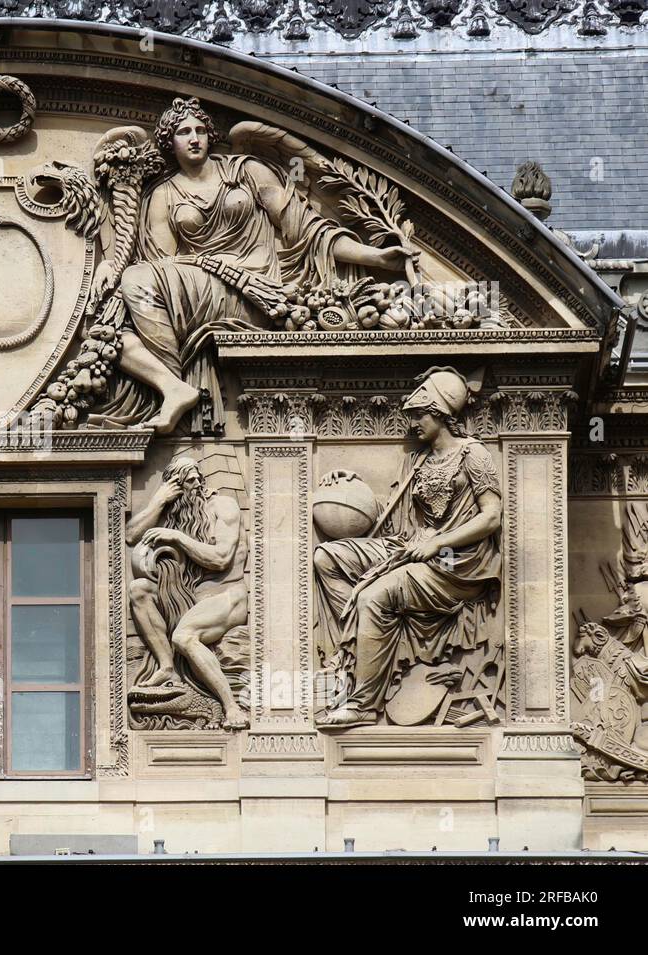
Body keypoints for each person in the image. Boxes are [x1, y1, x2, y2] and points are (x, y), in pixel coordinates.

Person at [111, 97, 416, 433]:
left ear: (211, 135)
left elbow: (308, 230)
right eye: (184, 132)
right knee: (127, 297)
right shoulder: (162, 195)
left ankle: (172, 387)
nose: (195, 138)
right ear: (170, 141)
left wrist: (376, 257)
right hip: (198, 289)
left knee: (134, 283)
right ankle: (172, 385)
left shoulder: (247, 171)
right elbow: (164, 264)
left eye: (200, 129)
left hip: (259, 293)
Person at [313, 367, 502, 726]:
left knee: (373, 597)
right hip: (410, 547)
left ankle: (364, 704)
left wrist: (439, 543)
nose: (412, 423)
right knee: (327, 557)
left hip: (456, 562)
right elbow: (393, 520)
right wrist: (347, 486)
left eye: (419, 415)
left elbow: (492, 518)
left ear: (443, 414)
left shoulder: (472, 454)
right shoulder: (416, 461)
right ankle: (362, 645)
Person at [127, 457, 250, 729]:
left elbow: (220, 559)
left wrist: (177, 537)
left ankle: (231, 707)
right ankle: (166, 666)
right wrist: (157, 501)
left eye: (197, 479)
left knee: (184, 635)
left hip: (227, 596)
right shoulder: (176, 515)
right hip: (191, 600)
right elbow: (130, 535)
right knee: (139, 590)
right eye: (185, 482)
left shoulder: (222, 506)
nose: (195, 484)